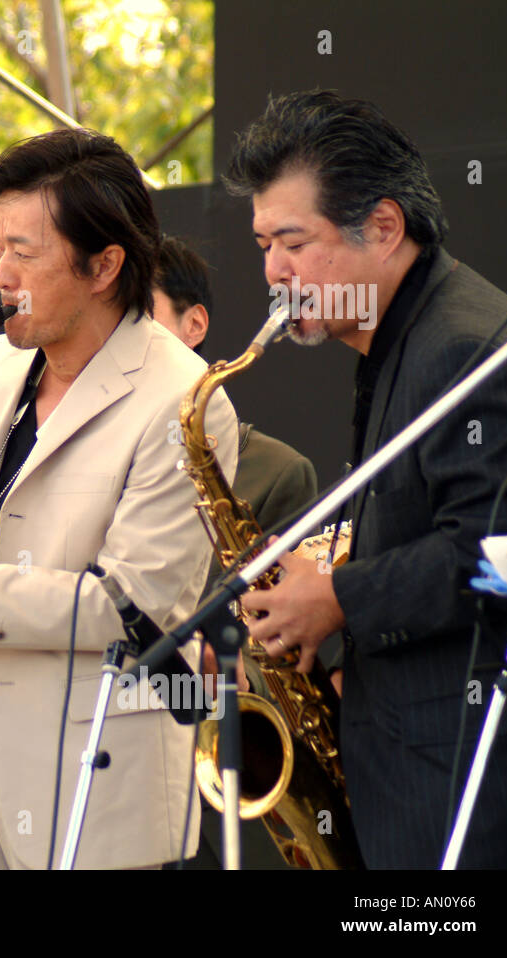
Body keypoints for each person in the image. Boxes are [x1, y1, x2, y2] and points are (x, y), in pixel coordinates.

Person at [0, 128, 238, 869]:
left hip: (93, 766)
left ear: (104, 265)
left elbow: (133, 608)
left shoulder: (187, 400)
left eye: (22, 252)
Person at [224, 90, 507, 868]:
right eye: (263, 244)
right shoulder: (399, 340)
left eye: (293, 242)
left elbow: (503, 561)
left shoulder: (459, 349)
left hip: (465, 796)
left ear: (384, 228)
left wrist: (336, 598)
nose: (273, 272)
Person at [152, 233, 319, 869]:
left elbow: (280, 640)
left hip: (218, 757)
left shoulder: (278, 471)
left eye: (144, 315)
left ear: (195, 325)